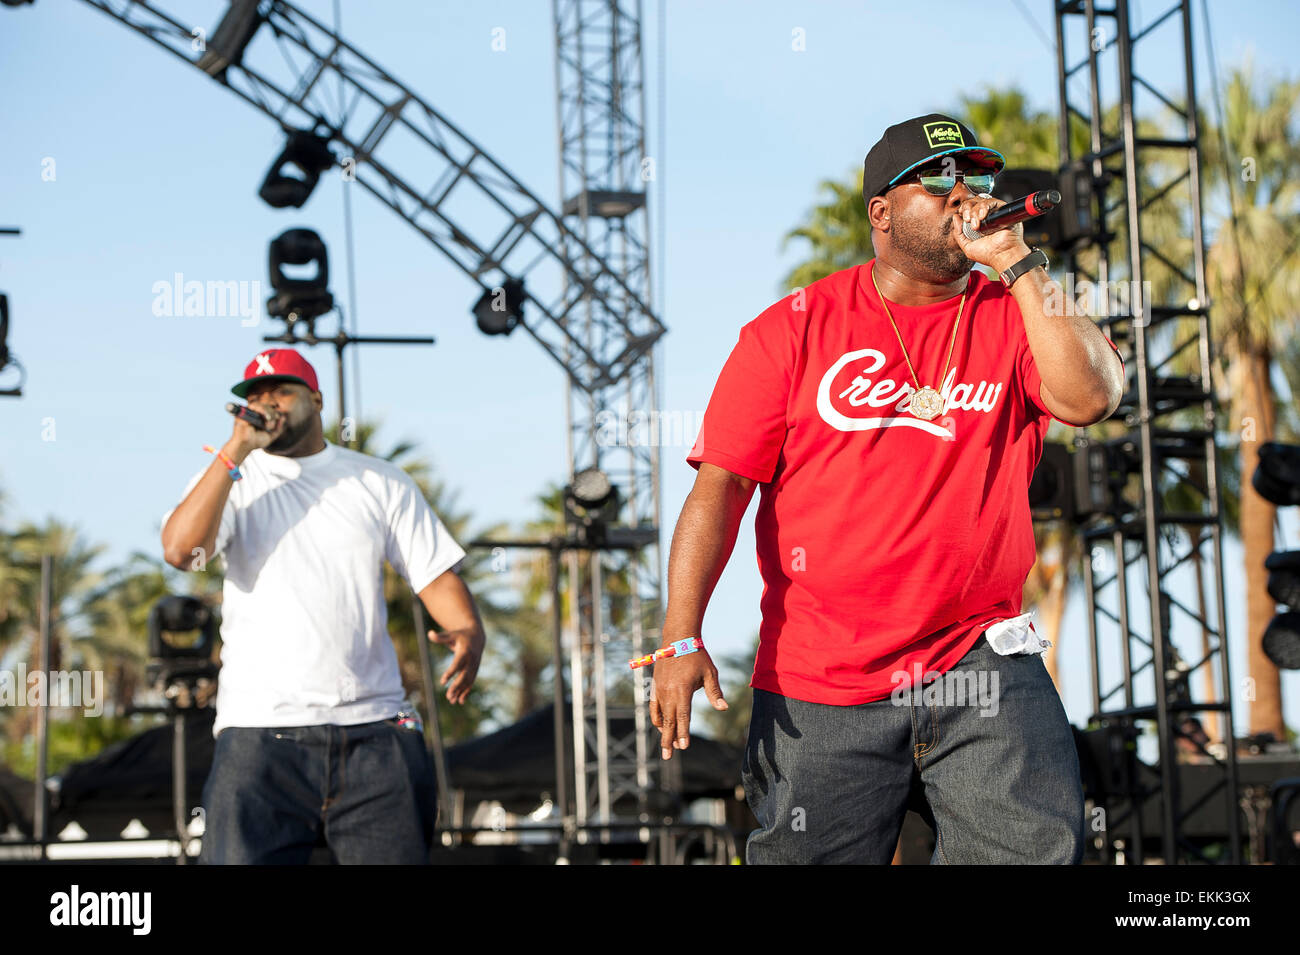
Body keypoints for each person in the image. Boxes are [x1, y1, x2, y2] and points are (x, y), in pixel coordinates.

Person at [650, 113, 1126, 864]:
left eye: (977, 177)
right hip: (822, 674)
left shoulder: (1017, 310)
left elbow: (1092, 397)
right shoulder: (792, 329)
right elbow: (719, 492)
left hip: (979, 654)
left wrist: (1019, 263)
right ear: (881, 212)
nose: (964, 193)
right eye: (939, 179)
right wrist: (682, 631)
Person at [161, 348, 485, 864]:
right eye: (257, 396)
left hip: (375, 735)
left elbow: (435, 575)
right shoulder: (232, 481)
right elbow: (182, 551)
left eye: (282, 392)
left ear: (316, 398)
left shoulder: (377, 480)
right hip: (260, 735)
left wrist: (467, 629)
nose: (269, 404)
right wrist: (236, 450)